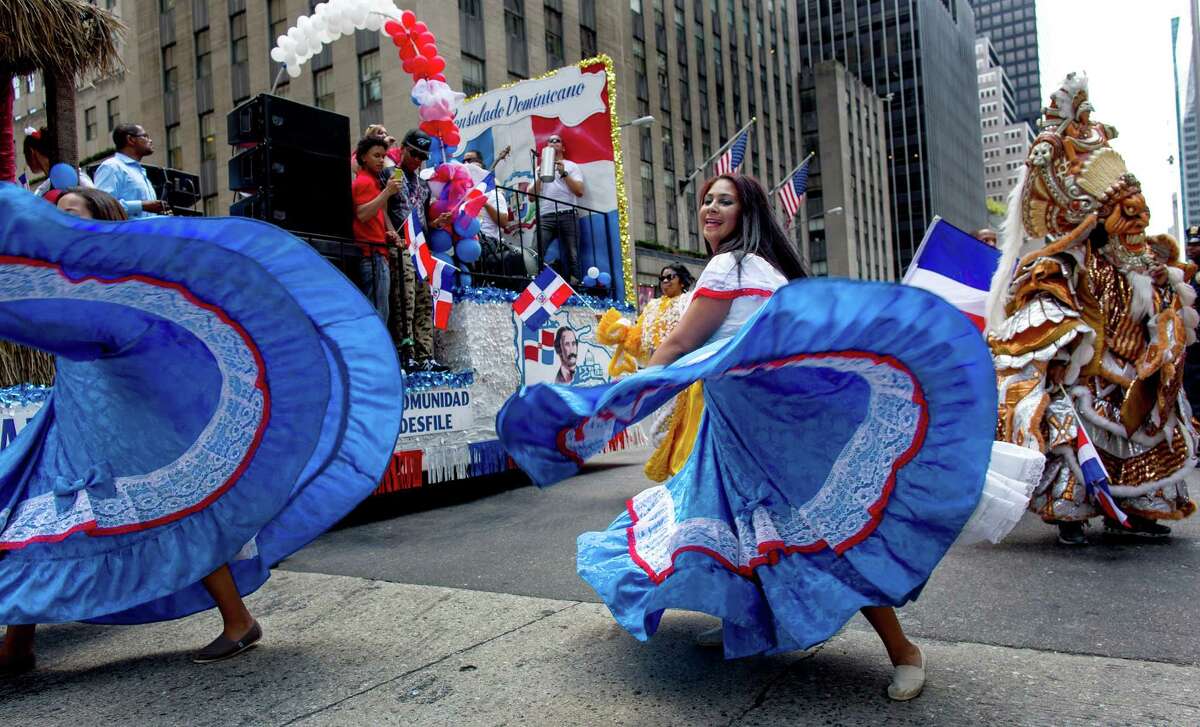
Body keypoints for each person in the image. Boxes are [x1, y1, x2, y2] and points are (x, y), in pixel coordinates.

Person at [497, 174, 1025, 702]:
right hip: (741, 429)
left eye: (723, 201)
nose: (710, 208)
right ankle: (742, 624)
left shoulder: (731, 266)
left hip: (765, 430)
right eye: (706, 200)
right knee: (738, 527)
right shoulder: (765, 268)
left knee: (820, 532)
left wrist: (622, 394)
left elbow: (683, 341)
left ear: (746, 212)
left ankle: (904, 651)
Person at [0, 181, 402, 675]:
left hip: (122, 414)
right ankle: (18, 642)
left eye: (69, 213)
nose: (57, 220)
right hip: (76, 412)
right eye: (54, 212)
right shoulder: (80, 284)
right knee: (37, 517)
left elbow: (74, 326)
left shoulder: (124, 288)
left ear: (98, 222)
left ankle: (238, 620)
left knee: (166, 511)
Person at [988, 73, 1197, 545]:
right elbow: (1035, 292)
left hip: (1133, 369)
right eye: (1129, 215)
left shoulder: (1147, 266)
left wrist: (1163, 333)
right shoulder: (1073, 264)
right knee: (1075, 430)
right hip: (1089, 372)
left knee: (1147, 428)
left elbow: (1166, 316)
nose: (1138, 224)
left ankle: (1140, 507)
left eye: (1142, 214)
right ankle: (1071, 512)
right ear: (1101, 220)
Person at [597, 263, 700, 481]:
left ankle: (684, 473)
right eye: (661, 278)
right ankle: (679, 474)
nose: (665, 282)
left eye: (670, 277)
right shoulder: (652, 307)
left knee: (681, 428)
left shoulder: (690, 302)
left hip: (684, 374)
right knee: (660, 430)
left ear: (682, 280)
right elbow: (637, 340)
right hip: (659, 375)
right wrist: (615, 328)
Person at [384, 129, 450, 373]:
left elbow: (420, 214)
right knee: (405, 300)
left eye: (422, 156)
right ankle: (406, 353)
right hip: (400, 245)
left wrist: (434, 224)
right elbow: (382, 208)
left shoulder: (423, 184)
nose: (417, 160)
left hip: (421, 248)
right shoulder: (389, 174)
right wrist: (391, 233)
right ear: (402, 148)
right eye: (413, 153)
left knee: (424, 302)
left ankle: (425, 355)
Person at [352, 136, 403, 319]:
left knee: (380, 310)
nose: (381, 160)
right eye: (376, 156)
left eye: (383, 156)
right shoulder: (364, 181)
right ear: (364, 157)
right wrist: (387, 192)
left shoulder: (372, 181)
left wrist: (389, 233)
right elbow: (363, 214)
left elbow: (376, 214)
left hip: (377, 253)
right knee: (379, 313)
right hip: (372, 254)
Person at [532, 134, 585, 284]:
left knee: (572, 254)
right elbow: (531, 196)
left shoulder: (571, 166)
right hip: (545, 215)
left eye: (557, 141)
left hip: (567, 214)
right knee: (535, 251)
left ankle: (576, 288)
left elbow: (579, 191)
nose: (553, 143)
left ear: (563, 147)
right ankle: (534, 284)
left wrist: (564, 174)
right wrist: (539, 176)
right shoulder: (539, 168)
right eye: (550, 141)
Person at [93, 123, 167, 218]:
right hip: (124, 232)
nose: (150, 140)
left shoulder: (139, 171)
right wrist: (142, 205)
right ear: (130, 139)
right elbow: (102, 206)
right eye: (145, 136)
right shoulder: (112, 167)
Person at [463, 150, 512, 275]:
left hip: (487, 239)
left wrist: (484, 203)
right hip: (465, 238)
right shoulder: (462, 195)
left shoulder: (493, 194)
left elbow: (504, 222)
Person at [21, 127, 94, 197]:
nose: (27, 163)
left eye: (25, 155)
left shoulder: (43, 190)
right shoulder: (79, 178)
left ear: (32, 152)